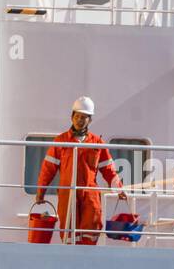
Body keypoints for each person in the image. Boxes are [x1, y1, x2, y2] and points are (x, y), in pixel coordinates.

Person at [34, 97, 125, 245]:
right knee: (69, 231)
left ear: (90, 120)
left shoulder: (97, 142)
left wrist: (118, 188)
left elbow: (109, 170)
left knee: (91, 229)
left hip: (90, 194)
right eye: (77, 116)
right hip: (67, 192)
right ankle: (69, 260)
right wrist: (40, 192)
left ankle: (87, 260)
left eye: (84, 117)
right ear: (72, 117)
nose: (80, 120)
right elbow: (47, 170)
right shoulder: (61, 141)